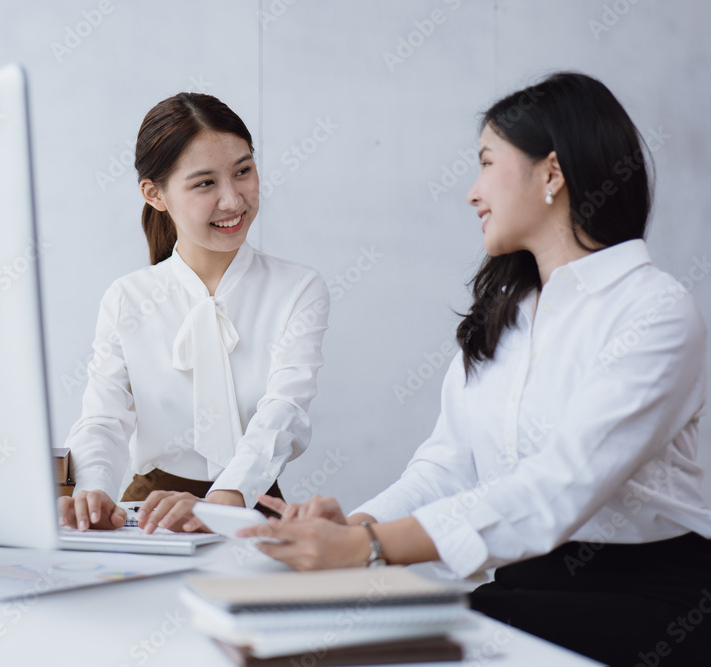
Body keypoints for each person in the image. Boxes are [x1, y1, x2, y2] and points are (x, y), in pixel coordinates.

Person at [239, 72, 711, 667]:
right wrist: (355, 526)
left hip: (643, 599)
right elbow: (446, 466)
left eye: (487, 163)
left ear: (553, 173)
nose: (472, 191)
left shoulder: (655, 311)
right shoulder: (505, 317)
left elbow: (558, 487)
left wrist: (366, 547)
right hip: (520, 588)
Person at [58, 93, 329, 536]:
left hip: (249, 502)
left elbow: (285, 410)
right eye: (205, 183)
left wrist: (224, 498)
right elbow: (103, 418)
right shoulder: (127, 297)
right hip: (148, 512)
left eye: (243, 171)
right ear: (154, 194)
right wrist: (92, 490)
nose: (232, 200)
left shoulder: (296, 289)